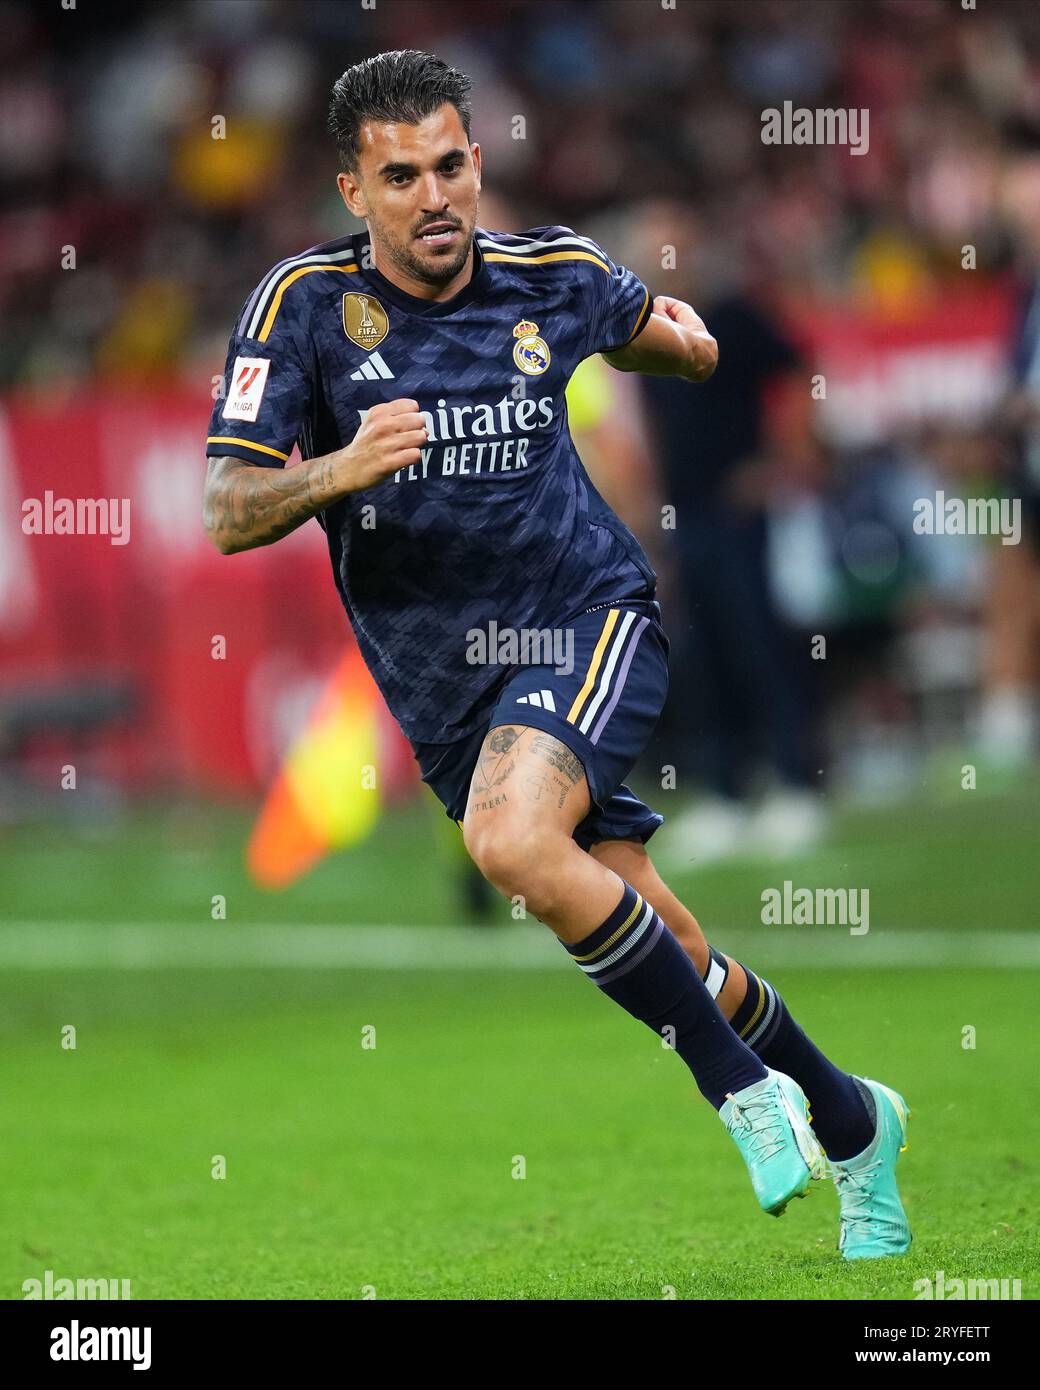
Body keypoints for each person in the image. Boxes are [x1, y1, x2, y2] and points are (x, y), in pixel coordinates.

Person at [202, 49, 909, 1259]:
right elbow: (225, 508)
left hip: (581, 616)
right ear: (352, 194)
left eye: (451, 166)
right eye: (401, 176)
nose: (434, 197)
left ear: (477, 163)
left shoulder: (553, 272)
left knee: (508, 842)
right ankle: (853, 1121)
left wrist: (677, 347)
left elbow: (638, 328)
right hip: (445, 691)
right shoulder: (302, 310)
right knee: (667, 944)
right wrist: (337, 469)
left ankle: (739, 1092)